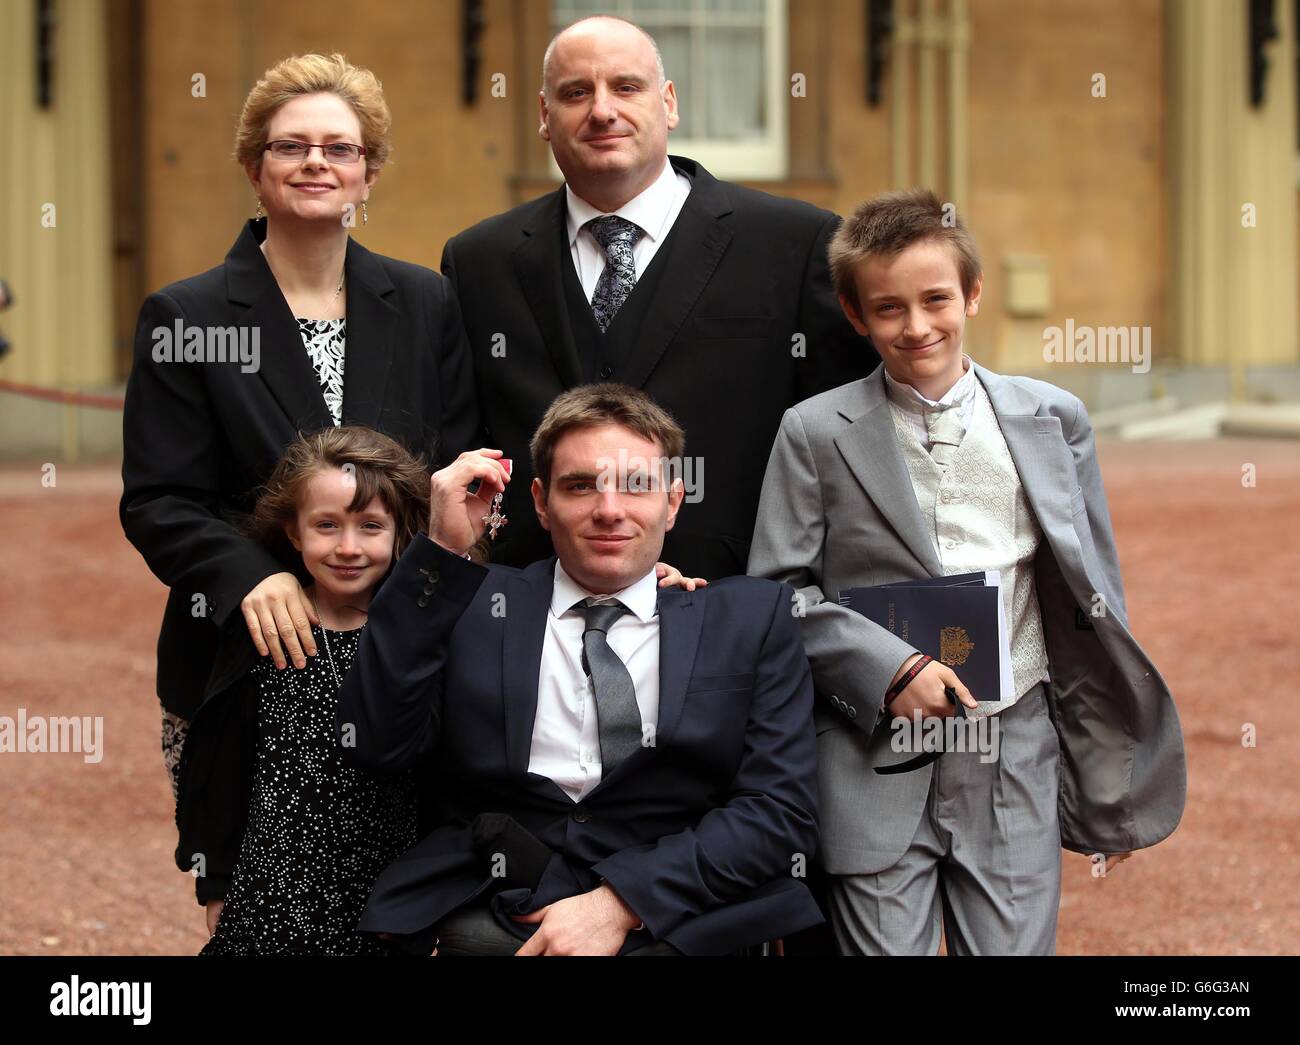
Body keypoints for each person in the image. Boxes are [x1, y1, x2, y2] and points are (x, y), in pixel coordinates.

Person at [747, 189, 1186, 955]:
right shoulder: (813, 432)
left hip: (1012, 749)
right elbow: (777, 597)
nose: (916, 326)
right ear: (855, 316)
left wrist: (1103, 774)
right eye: (888, 309)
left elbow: (1093, 599)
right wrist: (888, 666)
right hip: (872, 754)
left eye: (936, 299)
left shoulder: (1055, 418)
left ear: (972, 294)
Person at [119, 53, 478, 843]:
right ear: (255, 168)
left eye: (340, 147)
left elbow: (453, 468)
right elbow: (159, 499)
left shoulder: (426, 301)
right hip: (250, 656)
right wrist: (251, 576)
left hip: (402, 653)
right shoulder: (186, 312)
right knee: (260, 905)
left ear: (368, 173)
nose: (316, 161)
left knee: (402, 892)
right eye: (290, 146)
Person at [336, 384, 822, 955]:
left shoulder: (751, 617)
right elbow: (377, 744)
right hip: (499, 898)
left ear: (672, 501)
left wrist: (620, 903)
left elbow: (779, 813)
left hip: (682, 913)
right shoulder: (471, 602)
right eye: (580, 485)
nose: (609, 509)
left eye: (635, 485)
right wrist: (441, 551)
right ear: (540, 502)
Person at [441, 15, 877, 579]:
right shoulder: (479, 261)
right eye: (576, 93)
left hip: (734, 613)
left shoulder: (795, 245)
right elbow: (461, 450)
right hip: (531, 622)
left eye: (626, 87)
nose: (602, 111)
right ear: (545, 118)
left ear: (668, 103)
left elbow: (842, 443)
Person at [183, 427, 428, 954]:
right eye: (326, 525)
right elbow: (227, 764)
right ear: (293, 532)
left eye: (370, 526)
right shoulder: (265, 629)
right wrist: (216, 880)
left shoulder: (413, 633)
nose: (347, 547)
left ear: (401, 530)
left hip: (382, 892)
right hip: (268, 895)